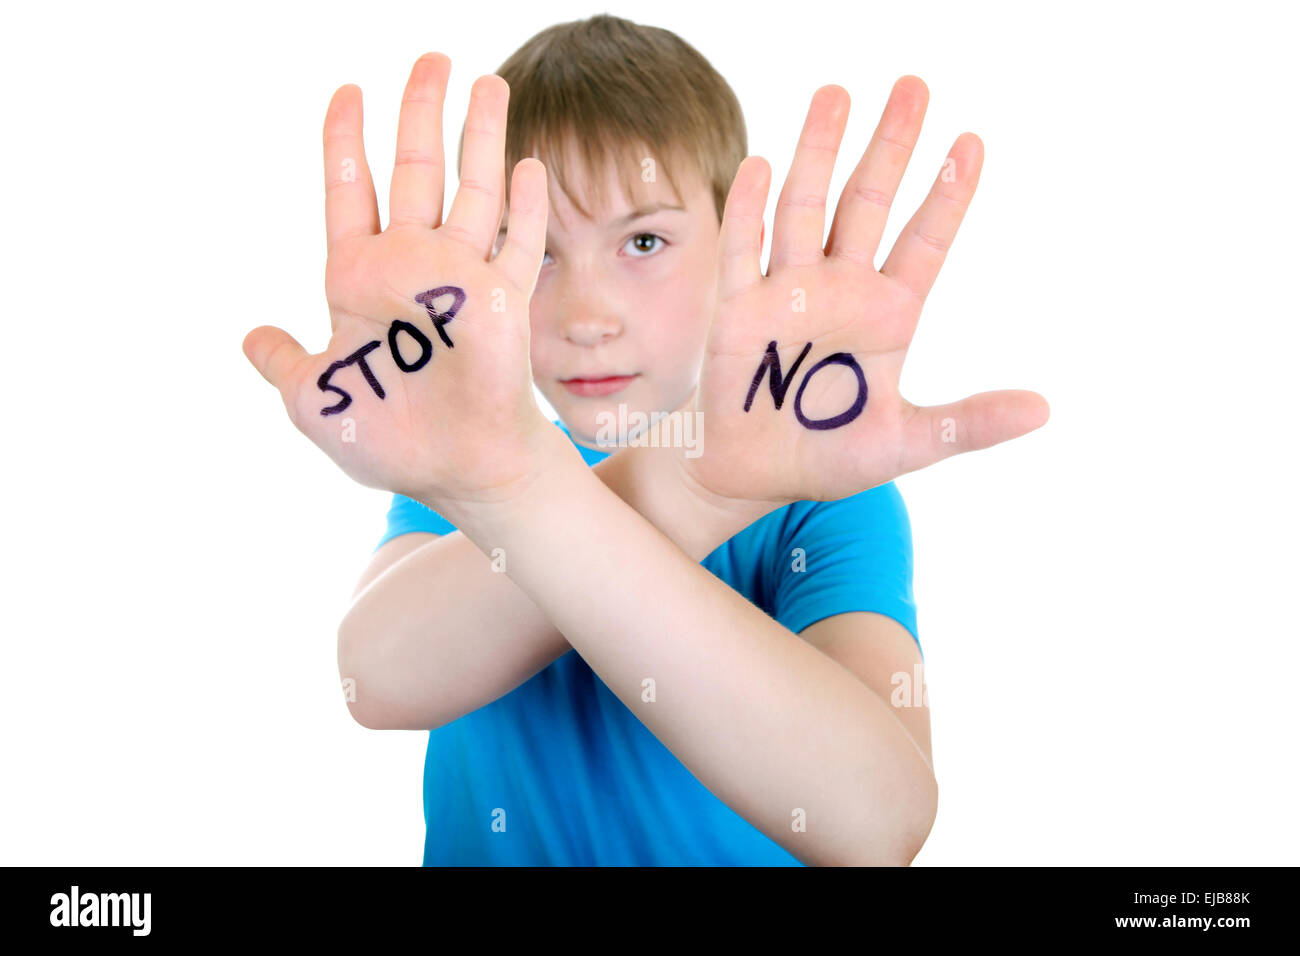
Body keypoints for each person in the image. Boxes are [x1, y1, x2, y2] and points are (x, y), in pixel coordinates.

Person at [242, 14, 1048, 865]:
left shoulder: (819, 499)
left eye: (644, 241)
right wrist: (643, 487)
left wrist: (685, 486)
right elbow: (376, 679)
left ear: (745, 243)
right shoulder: (471, 470)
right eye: (536, 252)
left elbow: (876, 823)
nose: (588, 315)